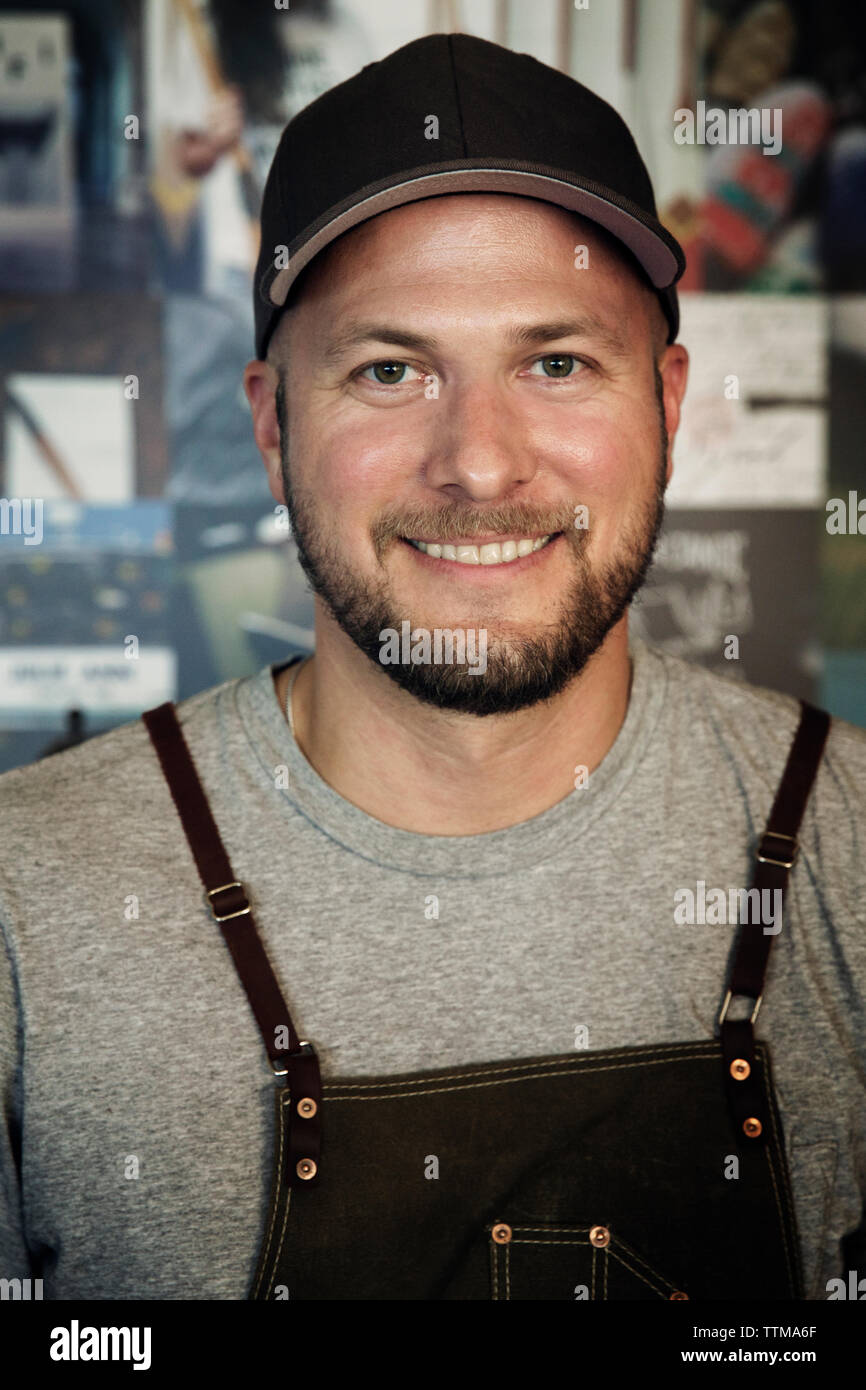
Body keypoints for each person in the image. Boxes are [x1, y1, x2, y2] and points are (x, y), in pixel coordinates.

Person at [1, 33, 864, 1302]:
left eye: (556, 362)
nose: (479, 461)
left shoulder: (851, 841)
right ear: (269, 422)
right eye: (389, 369)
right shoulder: (24, 904)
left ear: (668, 407)